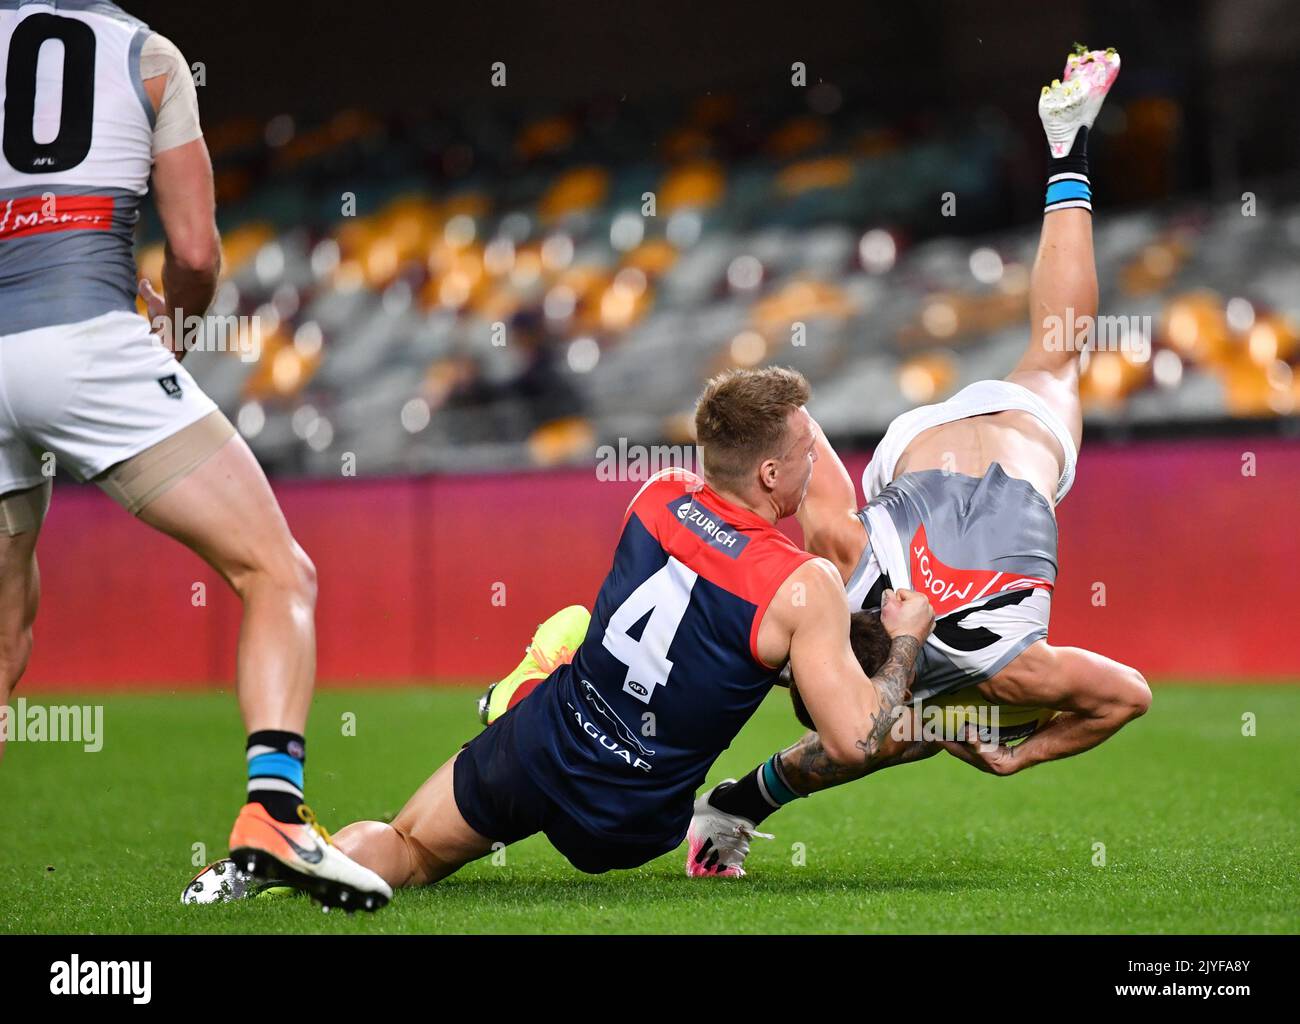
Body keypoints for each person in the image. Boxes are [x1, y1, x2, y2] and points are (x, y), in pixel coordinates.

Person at [185, 367, 935, 900]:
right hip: (632, 814)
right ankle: (544, 677)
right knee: (634, 663)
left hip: (547, 741)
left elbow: (702, 596)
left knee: (406, 845)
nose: (817, 463)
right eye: (807, 452)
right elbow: (853, 739)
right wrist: (904, 638)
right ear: (771, 474)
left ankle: (271, 868)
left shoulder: (656, 494)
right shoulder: (805, 588)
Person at [686, 45, 1151, 878]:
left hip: (1017, 444)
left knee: (905, 737)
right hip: (933, 446)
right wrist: (740, 467)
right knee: (1062, 345)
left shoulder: (1009, 669)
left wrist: (1025, 756)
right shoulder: (846, 554)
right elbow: (790, 416)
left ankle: (1070, 146)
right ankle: (1068, 148)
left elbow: (1130, 695)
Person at [0, 0, 388, 910]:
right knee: (276, 571)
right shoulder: (146, 52)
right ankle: (275, 812)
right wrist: (166, 335)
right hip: (88, 337)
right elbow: (197, 252)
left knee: (4, 639)